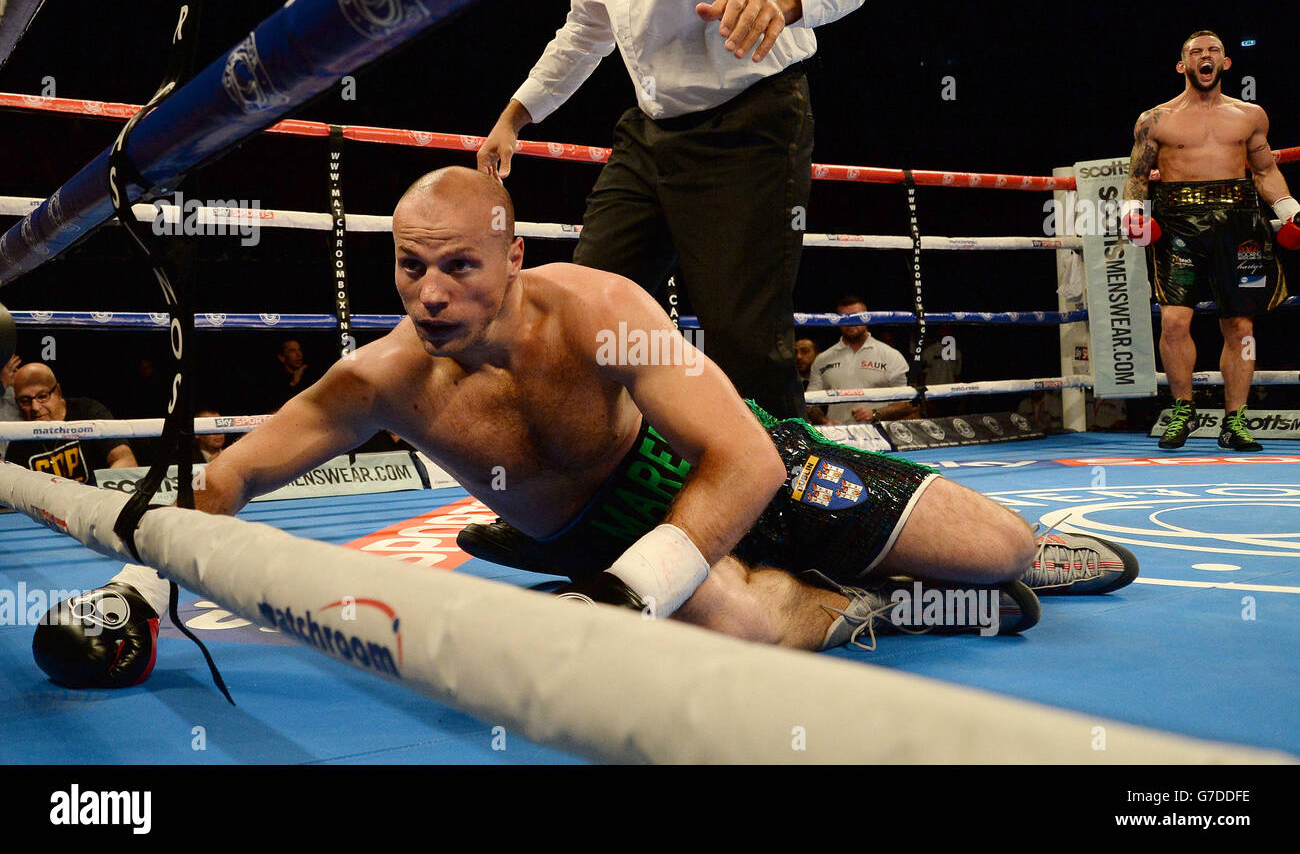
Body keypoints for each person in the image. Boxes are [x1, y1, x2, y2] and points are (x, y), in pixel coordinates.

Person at [35, 169, 1136, 689]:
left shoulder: (602, 311)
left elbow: (744, 454)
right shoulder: (381, 380)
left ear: (509, 258)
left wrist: (637, 587)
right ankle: (841, 602)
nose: (429, 293)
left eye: (458, 265)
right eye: (409, 267)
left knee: (998, 553)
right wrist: (134, 597)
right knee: (743, 640)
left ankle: (927, 556)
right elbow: (225, 485)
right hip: (605, 535)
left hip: (738, 473)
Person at [477, 0, 871, 421]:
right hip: (650, 131)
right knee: (589, 299)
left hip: (747, 124)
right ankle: (612, 453)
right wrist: (513, 120)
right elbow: (583, 34)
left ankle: (776, 475)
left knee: (743, 332)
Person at [1121, 29, 1299, 452]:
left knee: (1240, 323)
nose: (1206, 57)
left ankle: (1235, 419)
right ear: (1182, 65)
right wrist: (1132, 214)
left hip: (1239, 221)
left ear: (1226, 63)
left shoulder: (1249, 115)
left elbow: (1264, 169)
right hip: (1178, 221)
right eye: (1196, 52)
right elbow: (1138, 176)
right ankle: (1183, 409)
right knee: (1175, 320)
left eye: (1213, 51)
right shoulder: (1155, 119)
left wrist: (1291, 211)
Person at [5, 363, 137, 483]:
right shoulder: (19, 442)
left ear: (58, 392)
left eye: (42, 396)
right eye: (25, 400)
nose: (35, 407)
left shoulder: (88, 413)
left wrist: (94, 498)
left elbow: (125, 460)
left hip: (96, 504)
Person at [806, 296, 916, 425]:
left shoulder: (891, 356)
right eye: (844, 318)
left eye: (856, 317)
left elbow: (907, 404)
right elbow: (810, 402)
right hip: (837, 436)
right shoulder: (823, 359)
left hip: (879, 435)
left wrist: (875, 414)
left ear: (867, 317)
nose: (850, 323)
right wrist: (824, 421)